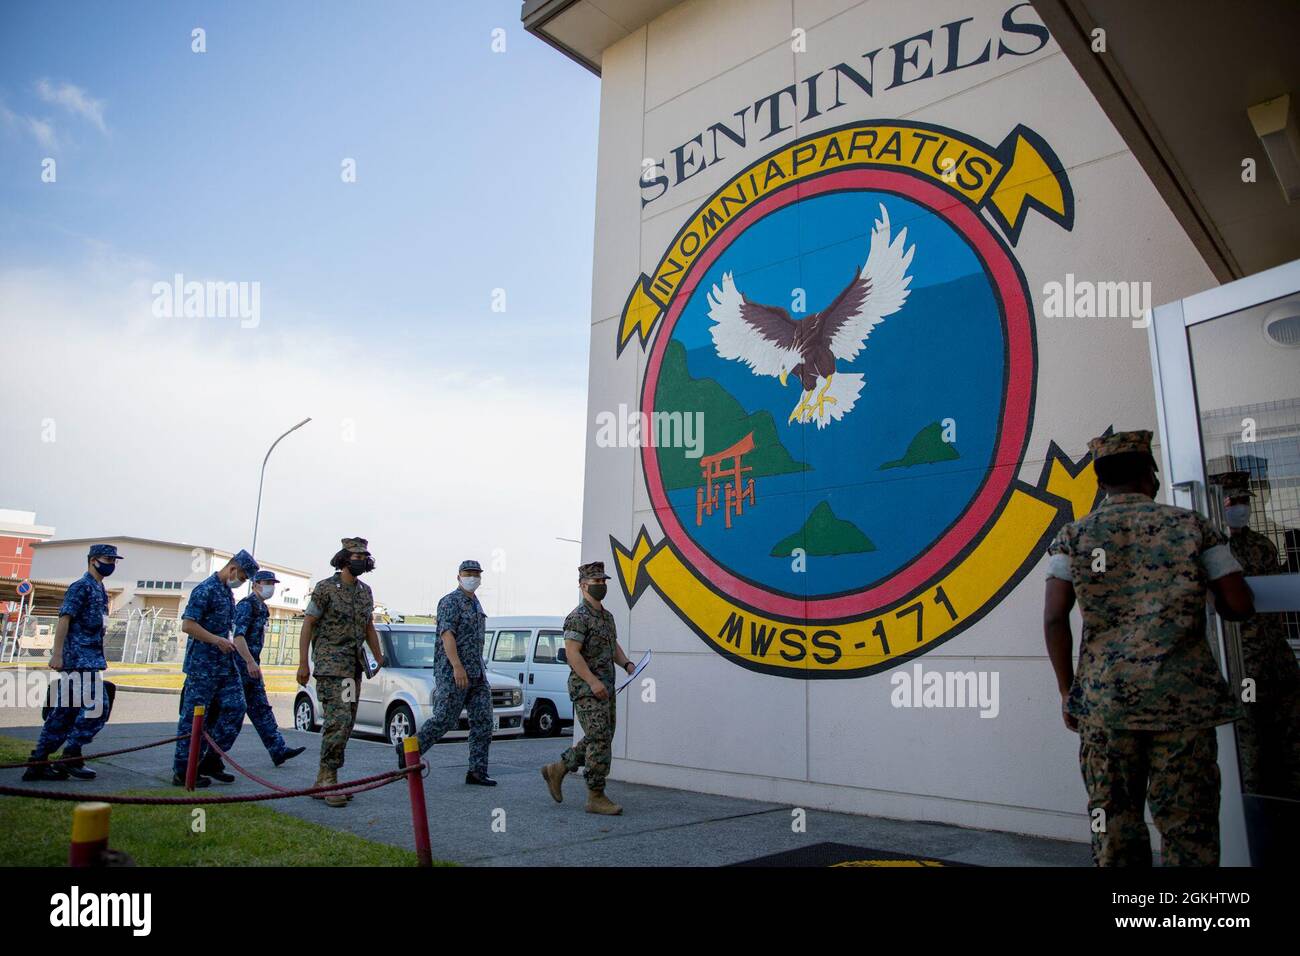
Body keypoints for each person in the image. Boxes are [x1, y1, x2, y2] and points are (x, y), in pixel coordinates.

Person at [1043, 431, 1255, 866]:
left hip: (1105, 706)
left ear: (1101, 483)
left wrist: (1068, 690)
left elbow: (1053, 617)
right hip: (1183, 706)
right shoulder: (1193, 526)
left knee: (1112, 822)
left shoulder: (1073, 537)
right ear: (1150, 477)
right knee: (1188, 825)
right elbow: (1237, 606)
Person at [1216, 471, 1300, 799]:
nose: (1239, 508)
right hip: (1240, 663)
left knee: (1290, 733)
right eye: (1232, 501)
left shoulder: (1261, 545)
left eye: (1243, 501)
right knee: (1250, 742)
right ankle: (1253, 810)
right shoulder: (1214, 548)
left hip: (1275, 657)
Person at [541, 561, 635, 815]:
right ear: (583, 586)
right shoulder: (577, 617)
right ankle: (595, 795)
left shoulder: (607, 617)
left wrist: (625, 663)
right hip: (586, 688)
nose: (601, 586)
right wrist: (592, 682)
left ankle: (558, 768)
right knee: (600, 736)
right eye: (596, 582)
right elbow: (573, 654)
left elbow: (612, 646)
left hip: (606, 687)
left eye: (604, 582)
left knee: (601, 736)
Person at [297, 537, 384, 808]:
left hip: (352, 667)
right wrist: (303, 663)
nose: (360, 561)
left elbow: (368, 625)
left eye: (364, 557)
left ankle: (324, 778)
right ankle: (328, 780)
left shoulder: (365, 591)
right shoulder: (325, 589)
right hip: (330, 665)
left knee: (346, 722)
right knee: (339, 720)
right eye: (355, 556)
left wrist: (378, 655)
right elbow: (308, 624)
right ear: (343, 559)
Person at [24, 544, 123, 782]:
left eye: (114, 560)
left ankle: (38, 761)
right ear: (92, 560)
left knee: (65, 713)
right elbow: (64, 620)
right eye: (107, 558)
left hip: (89, 659)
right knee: (98, 705)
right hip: (78, 660)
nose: (111, 563)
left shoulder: (99, 589)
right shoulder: (81, 587)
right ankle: (71, 755)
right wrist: (57, 654)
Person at [172, 549, 260, 788]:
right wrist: (216, 640)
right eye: (241, 577)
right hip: (202, 667)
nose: (241, 582)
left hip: (224, 666)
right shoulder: (206, 589)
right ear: (232, 569)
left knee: (236, 708)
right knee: (194, 719)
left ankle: (211, 759)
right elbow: (188, 625)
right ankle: (183, 769)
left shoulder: (226, 593)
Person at [403, 560, 496, 786]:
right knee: (444, 719)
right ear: (458, 576)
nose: (472, 577)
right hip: (453, 672)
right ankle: (408, 752)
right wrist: (456, 666)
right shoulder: (450, 602)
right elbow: (447, 635)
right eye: (468, 573)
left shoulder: (476, 604)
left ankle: (477, 771)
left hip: (477, 673)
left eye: (476, 573)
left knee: (484, 721)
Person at [224, 569, 306, 768]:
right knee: (233, 714)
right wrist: (250, 662)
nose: (270, 586)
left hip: (253, 667)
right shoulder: (246, 606)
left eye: (272, 583)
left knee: (262, 709)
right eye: (266, 582)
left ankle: (278, 749)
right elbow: (238, 637)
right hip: (241, 667)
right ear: (255, 584)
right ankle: (212, 755)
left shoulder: (262, 608)